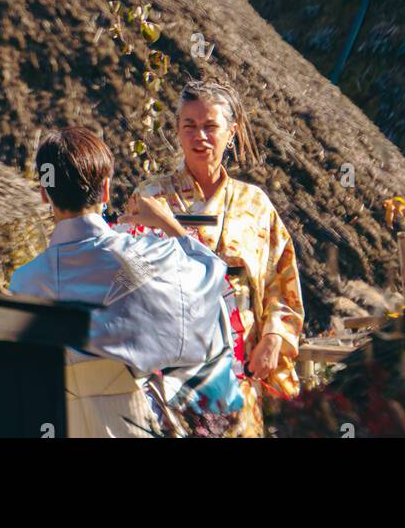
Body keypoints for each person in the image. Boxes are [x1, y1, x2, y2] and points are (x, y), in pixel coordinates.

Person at [9, 125, 242, 436]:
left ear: (44, 192)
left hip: (59, 424)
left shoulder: (24, 283)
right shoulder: (151, 257)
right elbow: (211, 276)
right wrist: (168, 224)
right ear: (105, 190)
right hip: (130, 423)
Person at [126, 79, 304, 437]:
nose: (200, 136)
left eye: (211, 126)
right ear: (176, 130)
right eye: (189, 126)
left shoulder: (255, 204)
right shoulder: (150, 198)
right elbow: (130, 281)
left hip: (241, 369)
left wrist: (272, 338)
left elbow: (281, 282)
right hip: (171, 377)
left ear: (232, 131)